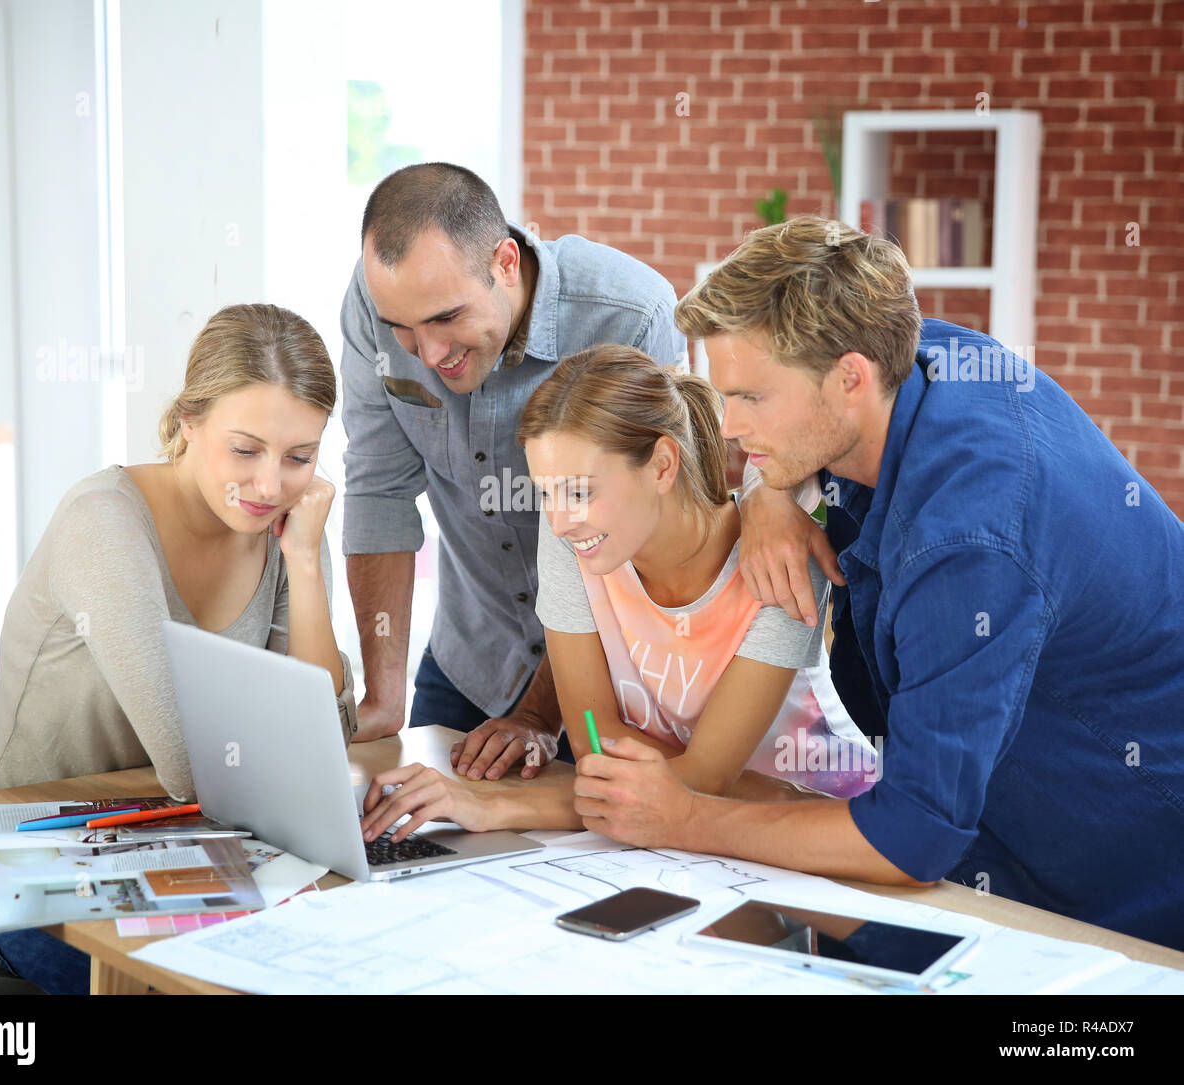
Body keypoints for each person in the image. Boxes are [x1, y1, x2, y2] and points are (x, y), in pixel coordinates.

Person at [571, 216, 1184, 951]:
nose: (729, 429)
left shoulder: (968, 538)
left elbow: (915, 832)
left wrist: (686, 816)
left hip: (1135, 860)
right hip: (1007, 831)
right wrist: (771, 491)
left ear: (850, 377)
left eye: (752, 398)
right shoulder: (921, 360)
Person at [0, 302, 357, 990]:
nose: (271, 484)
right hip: (30, 863)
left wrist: (303, 563)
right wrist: (284, 765)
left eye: (300, 456)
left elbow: (324, 737)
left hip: (194, 843)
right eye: (245, 449)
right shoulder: (106, 525)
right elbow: (197, 770)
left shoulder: (284, 521)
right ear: (189, 422)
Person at [359, 346, 875, 843]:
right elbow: (589, 744)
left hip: (816, 824)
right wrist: (485, 803)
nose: (559, 521)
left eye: (580, 491)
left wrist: (493, 806)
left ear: (662, 466)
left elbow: (703, 780)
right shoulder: (575, 540)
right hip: (679, 833)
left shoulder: (776, 558)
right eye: (546, 492)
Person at [340, 161, 693, 780]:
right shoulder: (379, 300)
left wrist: (538, 713)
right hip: (469, 657)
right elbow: (379, 491)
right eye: (404, 330)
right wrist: (382, 696)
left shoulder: (630, 315)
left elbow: (654, 531)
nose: (428, 354)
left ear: (505, 263)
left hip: (608, 682)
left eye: (447, 319)